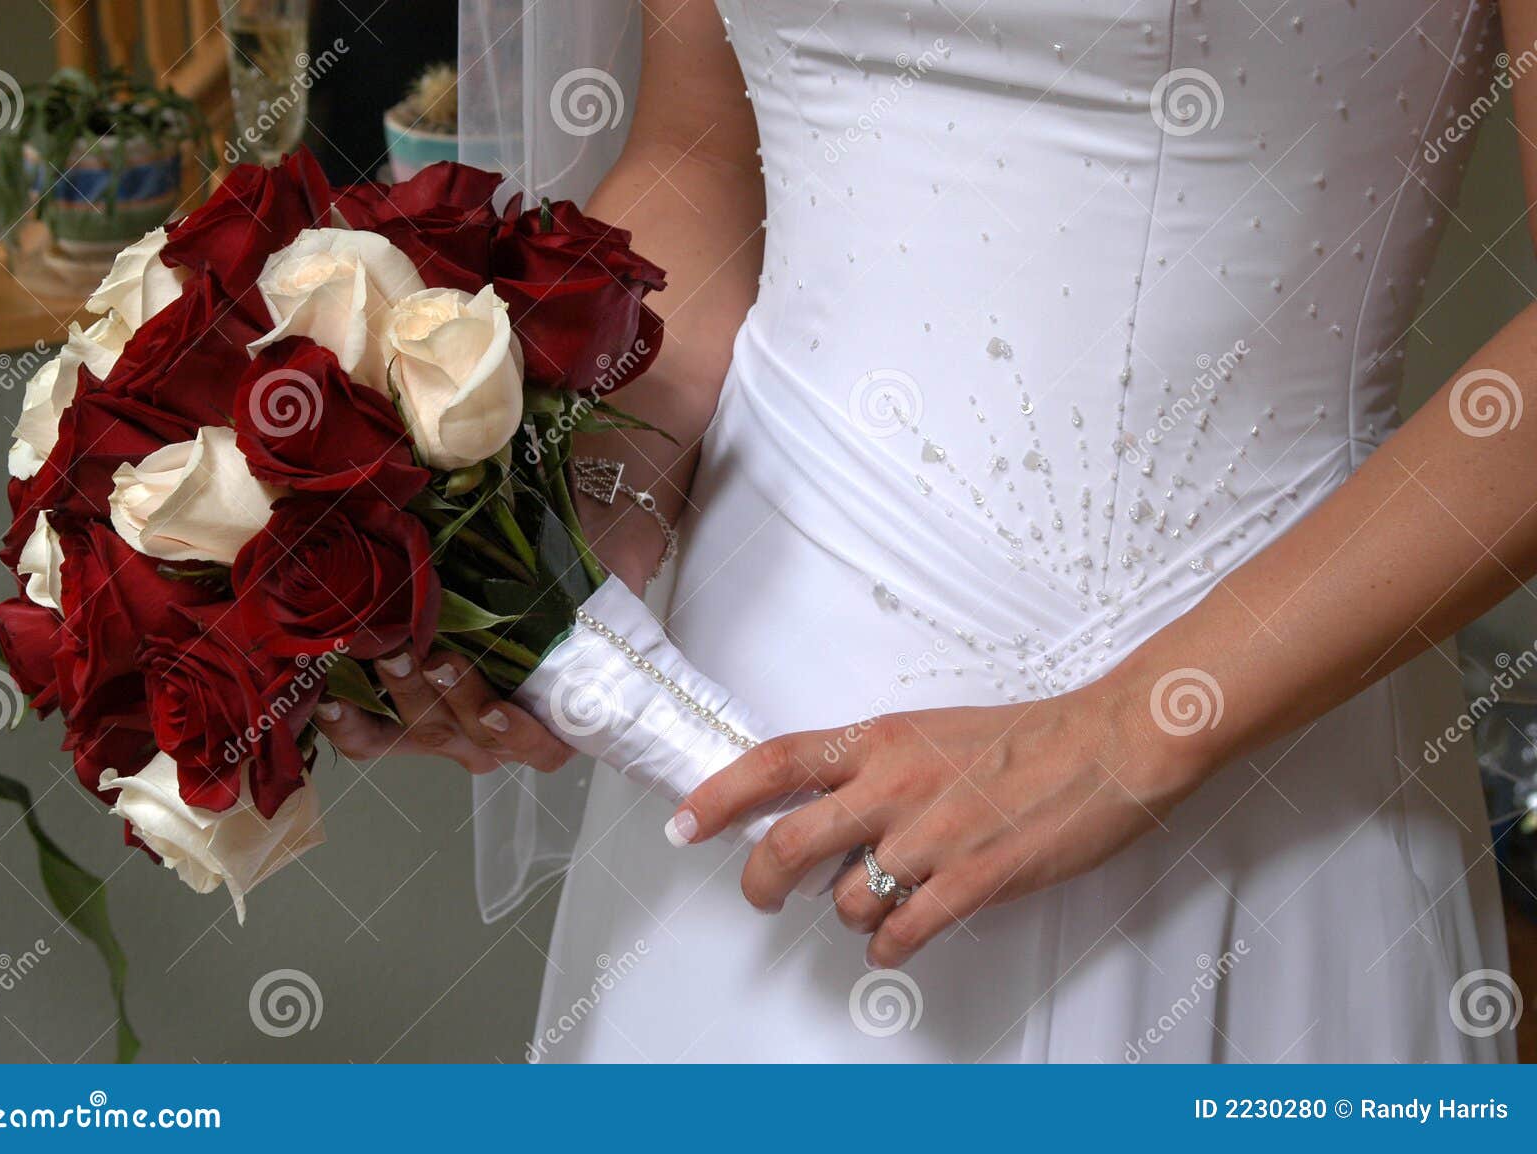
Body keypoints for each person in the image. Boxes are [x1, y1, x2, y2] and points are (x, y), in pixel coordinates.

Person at [321, 0, 1530, 1061]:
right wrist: (577, 532)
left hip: (1262, 705)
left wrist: (1131, 726)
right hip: (758, 708)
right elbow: (698, 156)